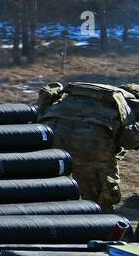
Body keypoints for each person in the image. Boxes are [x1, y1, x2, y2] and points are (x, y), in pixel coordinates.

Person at [37, 81, 139, 212]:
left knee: (55, 183)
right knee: (102, 196)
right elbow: (129, 140)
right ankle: (98, 224)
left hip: (51, 134)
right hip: (92, 143)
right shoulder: (128, 104)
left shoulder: (84, 93)